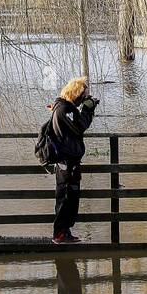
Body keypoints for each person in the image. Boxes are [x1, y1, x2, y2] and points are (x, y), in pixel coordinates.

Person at [49, 75, 98, 244]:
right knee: (65, 198)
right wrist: (87, 110)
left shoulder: (65, 108)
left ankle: (65, 233)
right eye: (82, 96)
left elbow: (77, 128)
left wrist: (86, 110)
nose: (83, 99)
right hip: (65, 162)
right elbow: (79, 128)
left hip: (70, 161)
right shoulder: (65, 109)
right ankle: (59, 234)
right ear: (75, 94)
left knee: (72, 198)